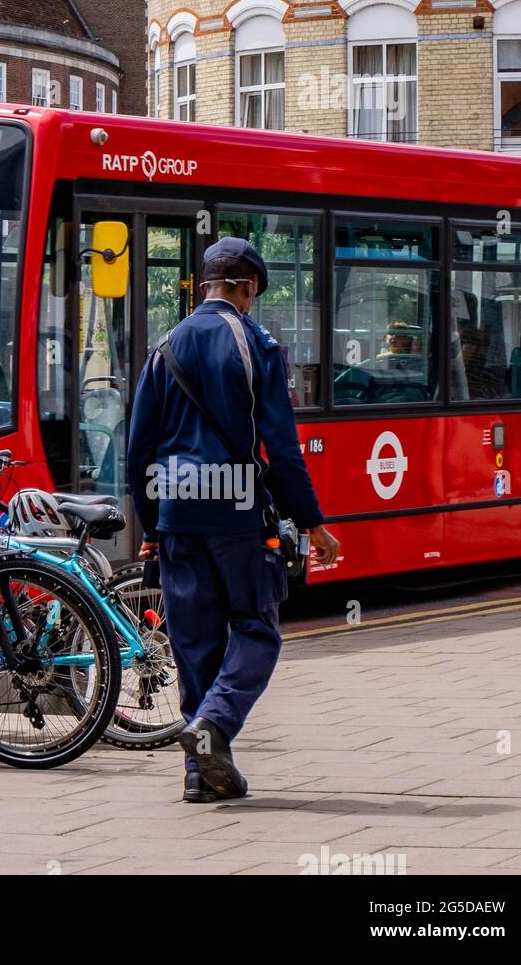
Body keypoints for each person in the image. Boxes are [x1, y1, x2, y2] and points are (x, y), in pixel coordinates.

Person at [127, 236, 341, 803]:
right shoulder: (256, 343)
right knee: (256, 627)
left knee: (194, 641)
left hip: (175, 511)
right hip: (238, 511)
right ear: (246, 288)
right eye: (253, 293)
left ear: (205, 285)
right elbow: (282, 447)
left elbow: (137, 450)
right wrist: (313, 522)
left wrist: (152, 526)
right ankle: (214, 726)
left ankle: (202, 773)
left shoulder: (164, 346)